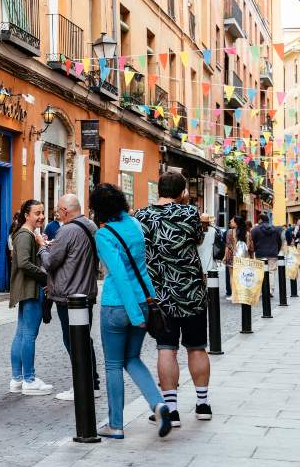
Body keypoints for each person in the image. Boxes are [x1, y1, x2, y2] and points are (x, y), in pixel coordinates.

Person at [89, 183, 172, 440]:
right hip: (144, 301)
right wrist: (148, 304)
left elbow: (120, 276)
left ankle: (115, 425)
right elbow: (142, 269)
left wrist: (134, 314)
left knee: (114, 364)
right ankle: (158, 404)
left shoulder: (104, 235)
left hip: (117, 306)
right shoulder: (135, 226)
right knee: (132, 358)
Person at [134, 172, 212, 425]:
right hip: (190, 291)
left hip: (160, 295)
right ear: (182, 192)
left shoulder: (142, 216)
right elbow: (198, 239)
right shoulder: (190, 213)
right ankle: (202, 405)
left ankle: (172, 409)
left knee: (166, 349)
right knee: (197, 348)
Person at [37, 193, 101, 401]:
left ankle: (81, 387)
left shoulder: (67, 230)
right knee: (84, 339)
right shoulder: (91, 226)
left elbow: (50, 263)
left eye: (58, 211)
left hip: (69, 296)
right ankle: (93, 382)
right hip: (87, 293)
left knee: (72, 340)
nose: (57, 214)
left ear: (65, 211)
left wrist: (42, 247)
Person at [7, 199, 53, 396]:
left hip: (26, 289)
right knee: (28, 335)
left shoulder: (28, 234)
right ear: (26, 215)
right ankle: (29, 380)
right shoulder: (25, 235)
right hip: (30, 289)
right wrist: (46, 277)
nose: (41, 216)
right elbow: (24, 263)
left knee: (21, 334)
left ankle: (17, 379)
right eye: (37, 213)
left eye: (42, 212)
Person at [250, 214, 284, 295]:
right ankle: (270, 290)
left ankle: (263, 290)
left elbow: (252, 242)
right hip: (273, 253)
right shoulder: (275, 229)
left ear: (260, 220)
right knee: (271, 272)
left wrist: (254, 250)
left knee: (260, 272)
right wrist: (276, 250)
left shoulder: (255, 230)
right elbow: (279, 242)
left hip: (260, 253)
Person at [223, 216, 254, 300]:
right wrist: (252, 258)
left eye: (232, 222)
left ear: (236, 223)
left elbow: (228, 246)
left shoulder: (230, 232)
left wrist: (225, 256)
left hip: (232, 258)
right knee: (243, 276)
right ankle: (243, 294)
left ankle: (234, 295)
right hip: (244, 259)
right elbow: (251, 248)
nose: (230, 223)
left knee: (232, 276)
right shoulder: (247, 233)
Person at [197, 214, 225, 278]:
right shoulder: (199, 230)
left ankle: (205, 286)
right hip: (201, 256)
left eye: (205, 223)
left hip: (209, 256)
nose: (204, 224)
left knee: (207, 275)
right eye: (203, 223)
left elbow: (218, 244)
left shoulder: (212, 230)